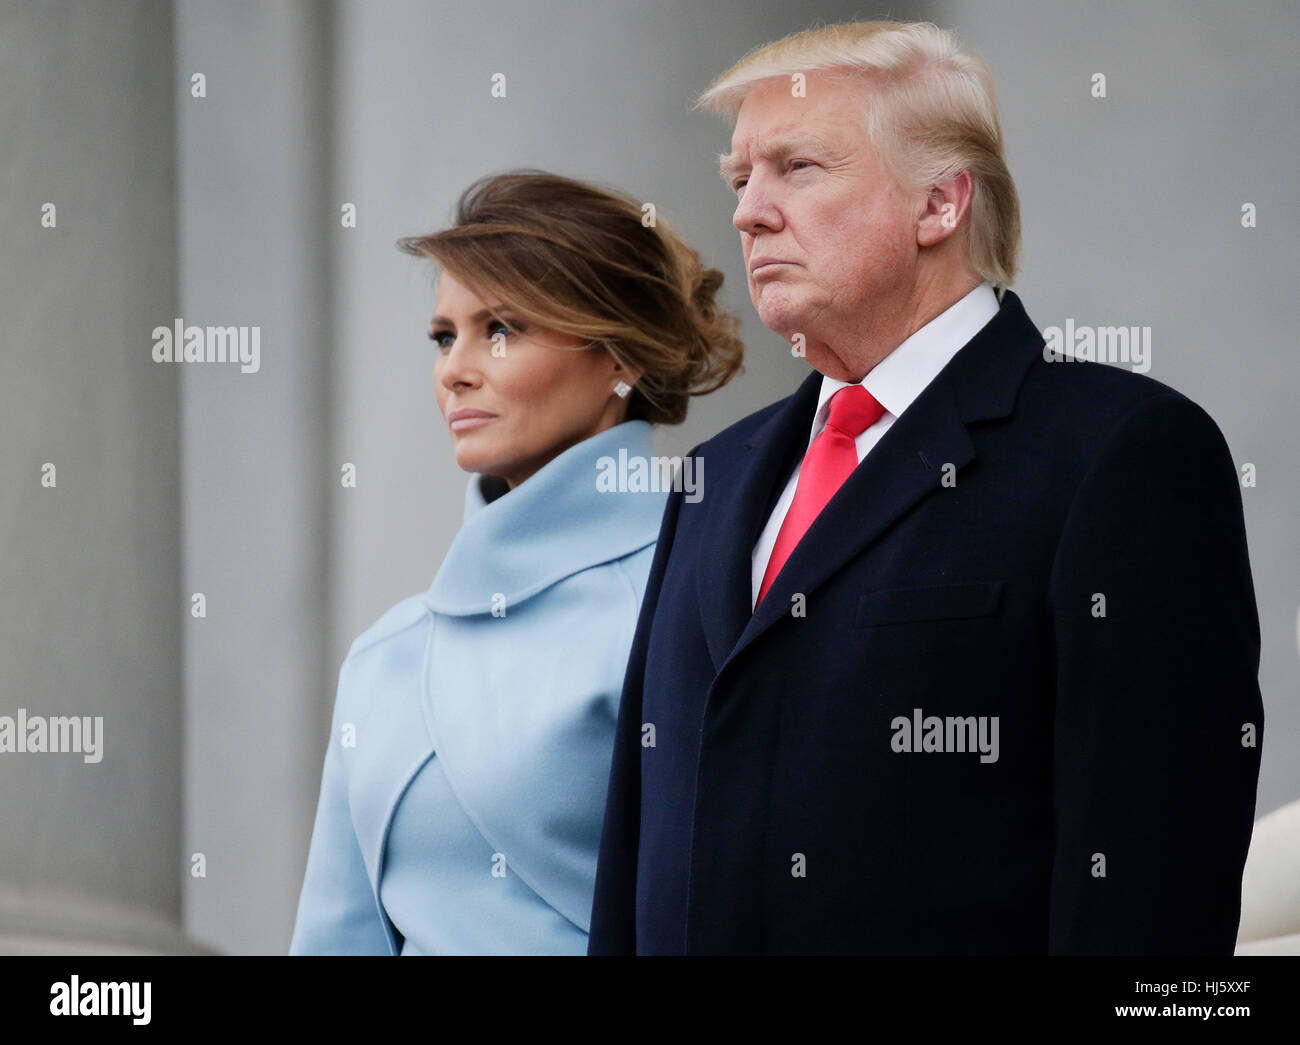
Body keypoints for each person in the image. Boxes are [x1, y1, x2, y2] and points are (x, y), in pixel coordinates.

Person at [589, 20, 1264, 955]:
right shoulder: (715, 475)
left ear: (941, 203)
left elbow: (1153, 885)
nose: (747, 211)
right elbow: (637, 844)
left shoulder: (1123, 453)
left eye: (798, 168)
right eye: (740, 179)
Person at [290, 170, 743, 954]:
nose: (455, 368)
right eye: (443, 335)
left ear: (620, 357)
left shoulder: (705, 598)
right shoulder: (385, 658)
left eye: (500, 329)